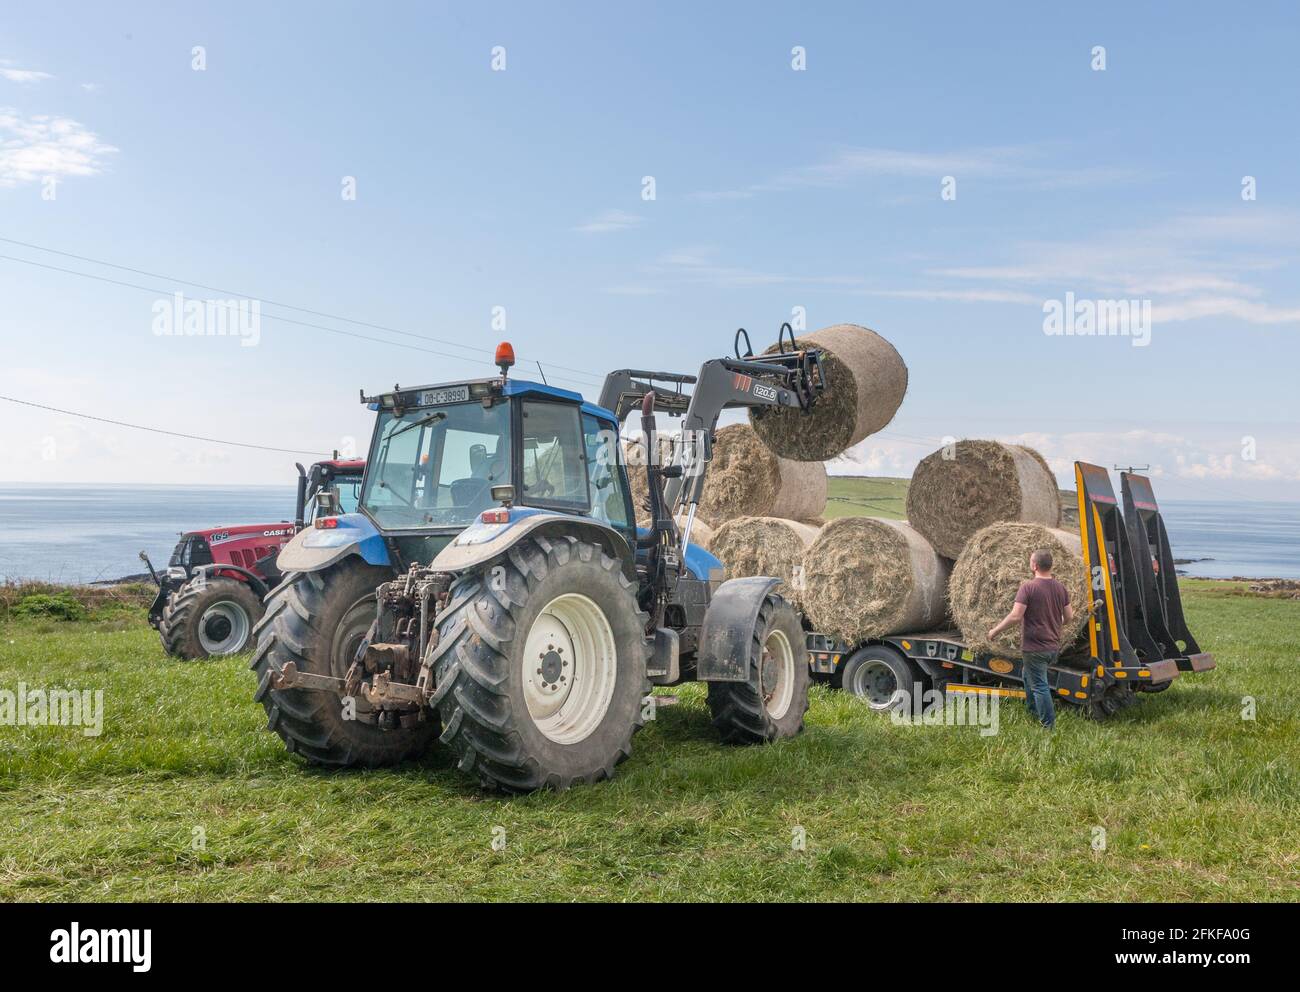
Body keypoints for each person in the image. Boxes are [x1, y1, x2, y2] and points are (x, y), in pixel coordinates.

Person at [987, 549, 1074, 730]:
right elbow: (1069, 617)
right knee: (1028, 676)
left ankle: (1048, 727)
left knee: (1040, 686)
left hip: (1035, 648)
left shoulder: (1028, 587)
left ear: (1034, 565)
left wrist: (995, 630)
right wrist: (1055, 624)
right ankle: (1033, 712)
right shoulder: (1060, 588)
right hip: (1052, 646)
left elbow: (1016, 616)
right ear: (1051, 565)